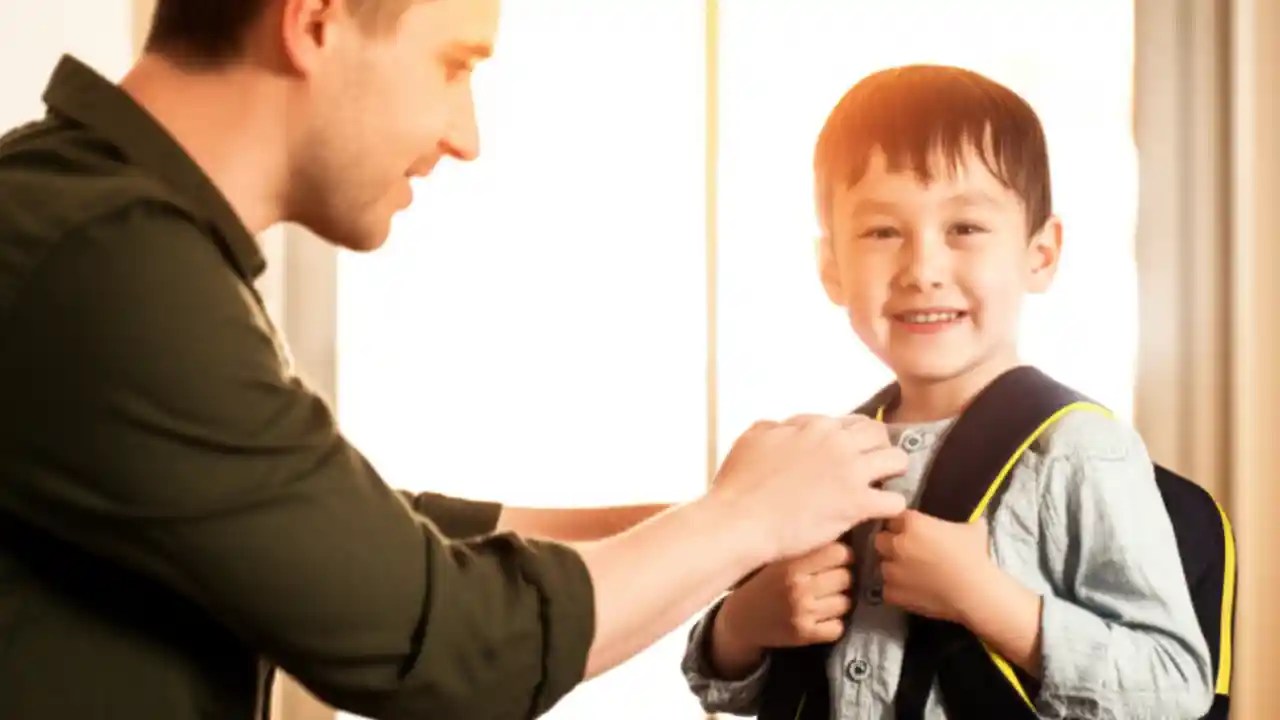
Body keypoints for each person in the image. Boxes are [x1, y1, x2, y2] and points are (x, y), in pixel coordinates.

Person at [0, 1, 913, 718]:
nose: (464, 135)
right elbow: (436, 643)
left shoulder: (90, 230)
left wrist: (709, 531)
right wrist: (738, 521)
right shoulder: (103, 261)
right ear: (316, 21)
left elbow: (333, 536)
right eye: (453, 65)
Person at [681, 65, 1215, 718]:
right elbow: (723, 687)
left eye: (963, 228)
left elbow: (1175, 687)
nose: (923, 269)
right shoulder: (817, 459)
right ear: (832, 268)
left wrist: (987, 599)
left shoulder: (1078, 453)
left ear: (1040, 253)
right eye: (883, 232)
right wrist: (742, 624)